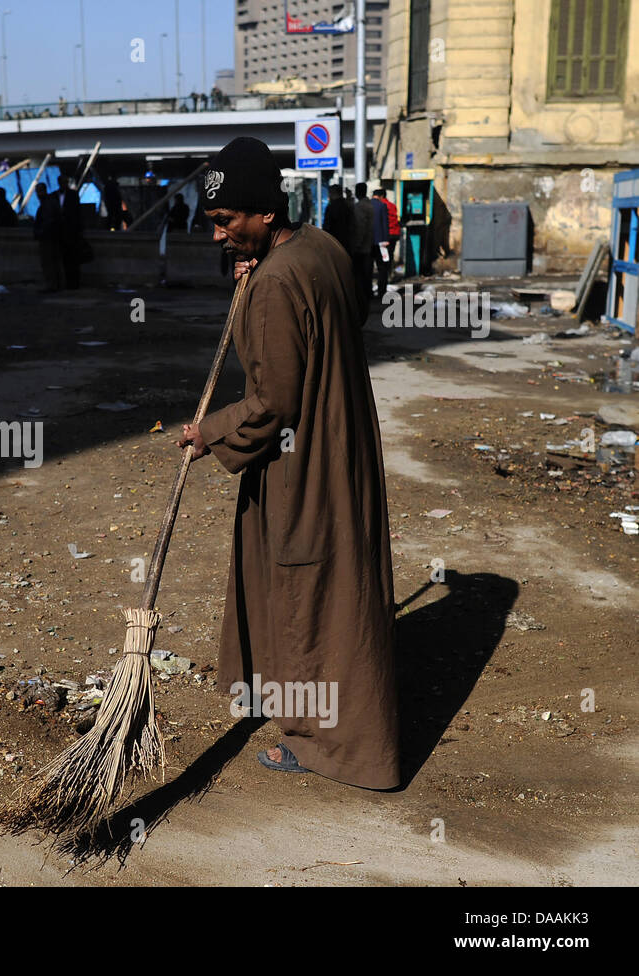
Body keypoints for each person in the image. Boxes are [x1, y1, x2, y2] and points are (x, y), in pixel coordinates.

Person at [176, 136, 398, 790]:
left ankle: (314, 743)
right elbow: (338, 316)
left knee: (304, 596)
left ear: (265, 215)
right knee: (341, 594)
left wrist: (207, 433)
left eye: (228, 222)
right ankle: (351, 733)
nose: (219, 235)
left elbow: (273, 402)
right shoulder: (320, 247)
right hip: (343, 444)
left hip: (302, 466)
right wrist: (250, 286)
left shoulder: (273, 280)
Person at [55, 176, 84, 288]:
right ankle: (67, 282)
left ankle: (74, 282)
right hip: (61, 232)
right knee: (64, 259)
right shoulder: (55, 195)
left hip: (71, 232)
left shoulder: (73, 195)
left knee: (73, 259)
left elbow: (77, 213)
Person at [351, 182, 376, 311]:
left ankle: (362, 298)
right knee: (367, 272)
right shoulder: (370, 205)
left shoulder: (360, 207)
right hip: (369, 244)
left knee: (359, 273)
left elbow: (360, 228)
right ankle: (367, 294)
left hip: (361, 246)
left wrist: (356, 245)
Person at [33, 187, 63, 291]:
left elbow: (48, 222)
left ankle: (52, 285)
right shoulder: (49, 203)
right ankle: (55, 284)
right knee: (53, 262)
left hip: (48, 237)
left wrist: (41, 232)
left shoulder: (47, 204)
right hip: (52, 236)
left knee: (48, 262)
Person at [373, 187, 400, 295]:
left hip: (384, 237)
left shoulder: (380, 205)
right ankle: (389, 276)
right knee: (388, 258)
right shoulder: (392, 205)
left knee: (381, 262)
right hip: (394, 235)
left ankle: (385, 279)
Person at [321, 183, 355, 255]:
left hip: (334, 242)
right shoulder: (347, 206)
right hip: (347, 242)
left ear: (332, 193)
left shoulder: (331, 207)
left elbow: (327, 226)